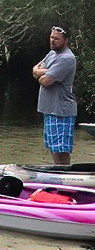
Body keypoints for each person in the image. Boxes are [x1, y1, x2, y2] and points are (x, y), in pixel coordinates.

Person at [32, 26, 77, 165]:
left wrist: (40, 74)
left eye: (57, 39)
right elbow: (34, 69)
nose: (53, 41)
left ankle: (64, 177)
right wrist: (43, 71)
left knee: (61, 150)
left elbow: (46, 81)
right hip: (50, 110)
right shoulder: (52, 54)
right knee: (53, 148)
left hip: (61, 110)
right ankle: (58, 175)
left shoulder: (66, 58)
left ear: (66, 41)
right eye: (51, 38)